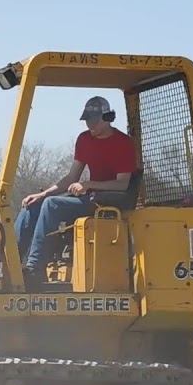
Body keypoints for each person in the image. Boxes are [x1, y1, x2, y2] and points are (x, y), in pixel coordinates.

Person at [14, 95, 138, 288]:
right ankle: (9, 264)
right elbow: (71, 178)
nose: (90, 125)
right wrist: (42, 194)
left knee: (53, 205)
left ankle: (34, 268)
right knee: (34, 205)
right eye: (87, 120)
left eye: (94, 121)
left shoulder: (123, 143)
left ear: (108, 118)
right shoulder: (84, 139)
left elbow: (122, 184)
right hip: (89, 196)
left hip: (106, 201)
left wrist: (89, 184)